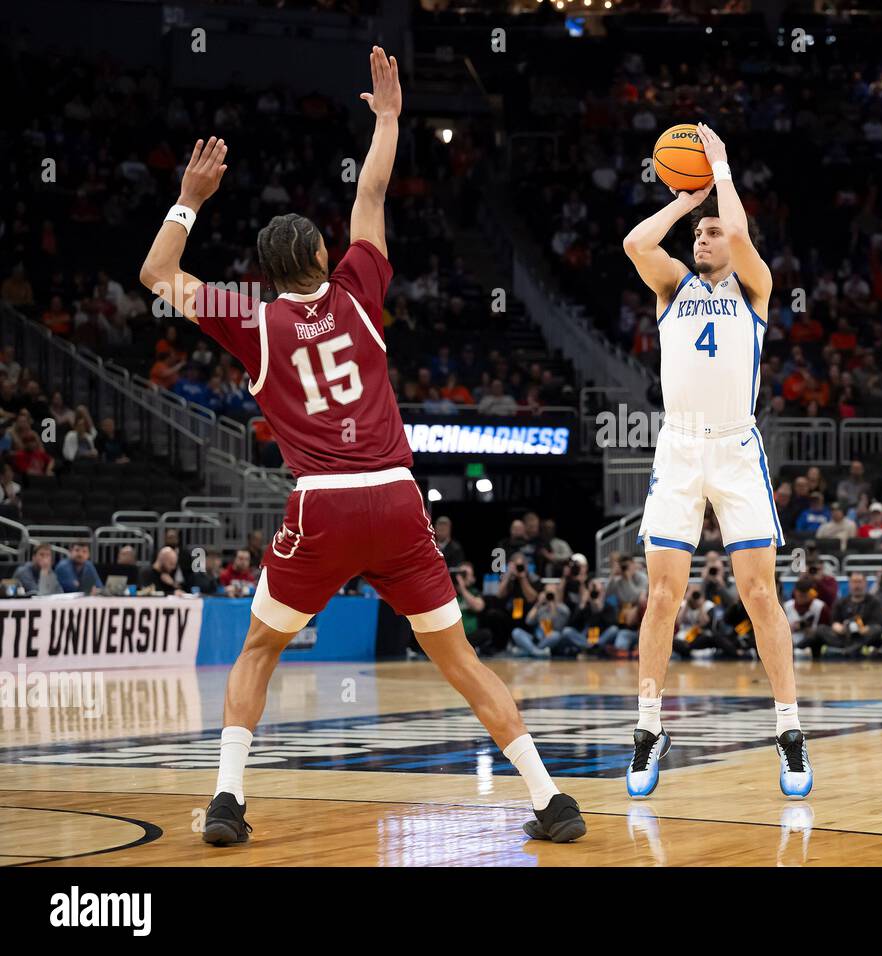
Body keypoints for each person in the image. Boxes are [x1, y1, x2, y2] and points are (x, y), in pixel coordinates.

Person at [137, 50, 584, 846]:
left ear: (268, 278)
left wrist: (187, 199)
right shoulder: (360, 289)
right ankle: (553, 801)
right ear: (320, 257)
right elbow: (372, 191)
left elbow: (156, 272)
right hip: (397, 498)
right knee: (460, 664)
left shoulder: (252, 320)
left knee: (259, 651)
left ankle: (229, 804)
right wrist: (387, 119)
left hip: (324, 507)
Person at [621, 122, 809, 798]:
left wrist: (723, 172)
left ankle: (788, 732)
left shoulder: (753, 288)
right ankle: (648, 731)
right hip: (678, 447)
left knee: (760, 593)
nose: (704, 237)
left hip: (734, 446)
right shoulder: (671, 287)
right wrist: (683, 197)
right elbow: (636, 243)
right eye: (698, 233)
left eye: (712, 231)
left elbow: (742, 237)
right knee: (663, 598)